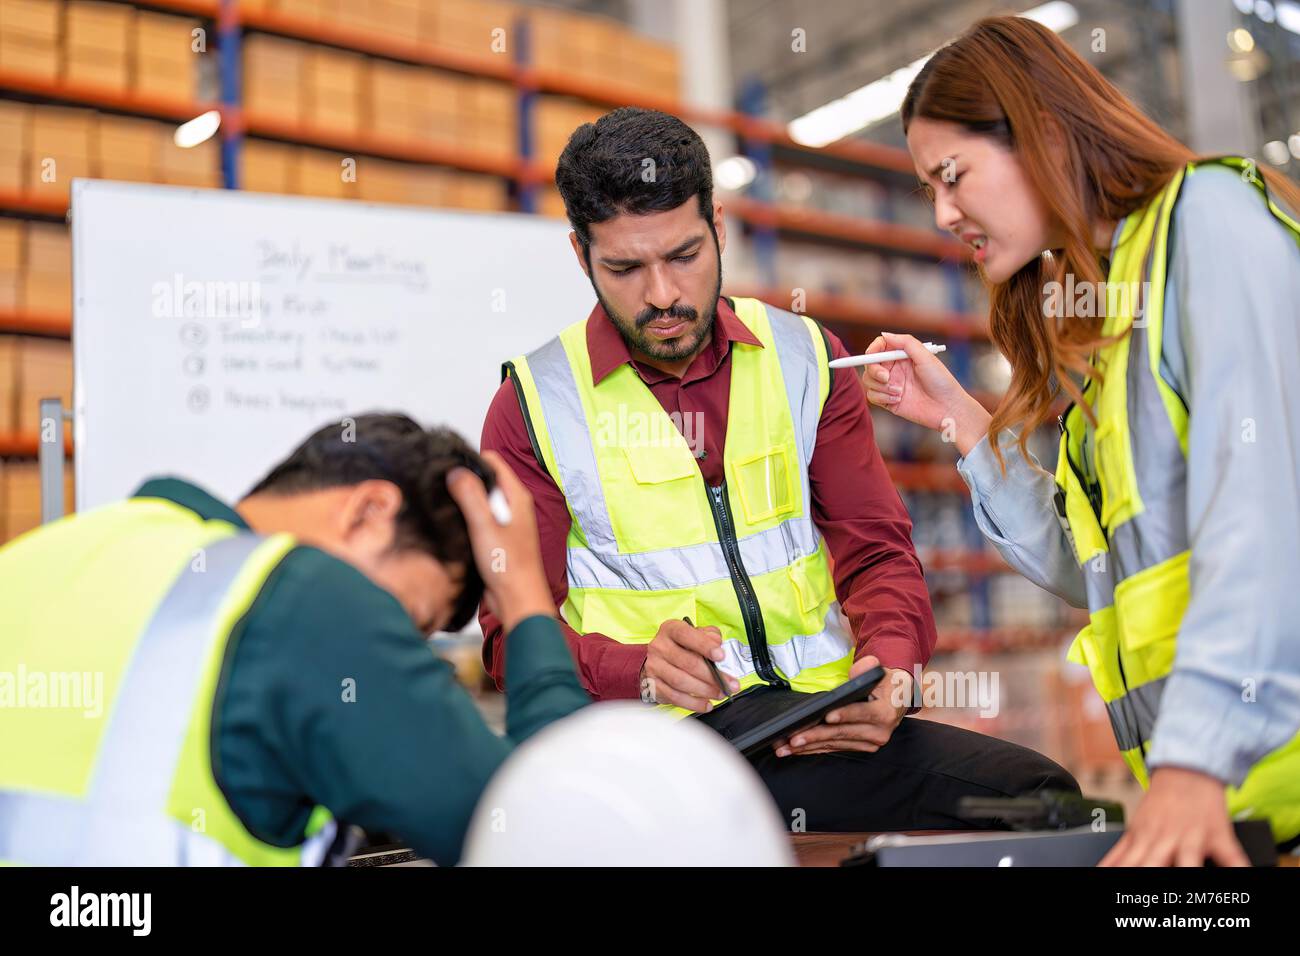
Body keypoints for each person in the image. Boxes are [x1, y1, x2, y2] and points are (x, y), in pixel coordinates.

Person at [479, 105, 1078, 832]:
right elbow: (512, 639)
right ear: (581, 255)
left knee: (1041, 802)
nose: (662, 295)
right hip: (651, 750)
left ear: (719, 227)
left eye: (684, 256)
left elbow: (877, 550)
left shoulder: (806, 358)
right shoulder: (534, 406)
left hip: (815, 727)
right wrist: (633, 667)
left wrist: (890, 670)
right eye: (625, 268)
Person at [863, 16, 1300, 864]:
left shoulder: (1207, 222)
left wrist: (1193, 763)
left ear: (1045, 134)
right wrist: (963, 423)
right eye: (927, 191)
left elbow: (1265, 521)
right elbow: (1097, 572)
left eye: (952, 176)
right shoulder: (1113, 314)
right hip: (1245, 816)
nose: (944, 213)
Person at [0, 413, 589, 865]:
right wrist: (524, 597)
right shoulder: (309, 596)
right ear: (369, 513)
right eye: (406, 621)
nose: (398, 652)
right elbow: (560, 837)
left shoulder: (49, 553)